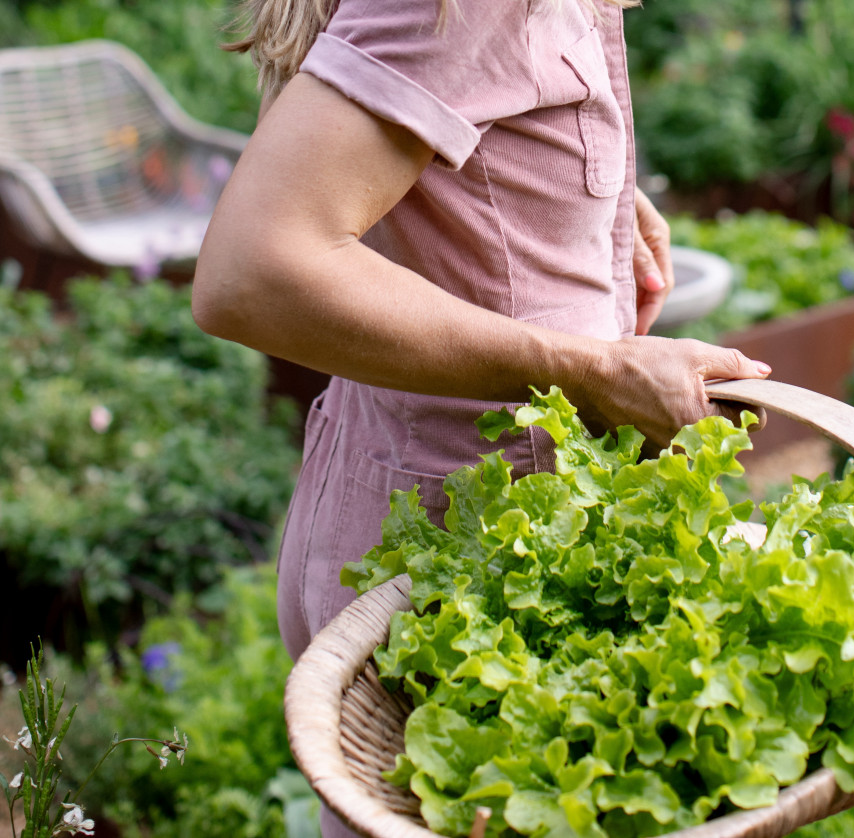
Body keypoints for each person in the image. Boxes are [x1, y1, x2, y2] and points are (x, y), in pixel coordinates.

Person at [192, 3, 770, 826]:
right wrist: (594, 370)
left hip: (454, 535)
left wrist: (570, 175)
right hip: (458, 570)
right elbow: (251, 271)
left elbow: (427, 99)